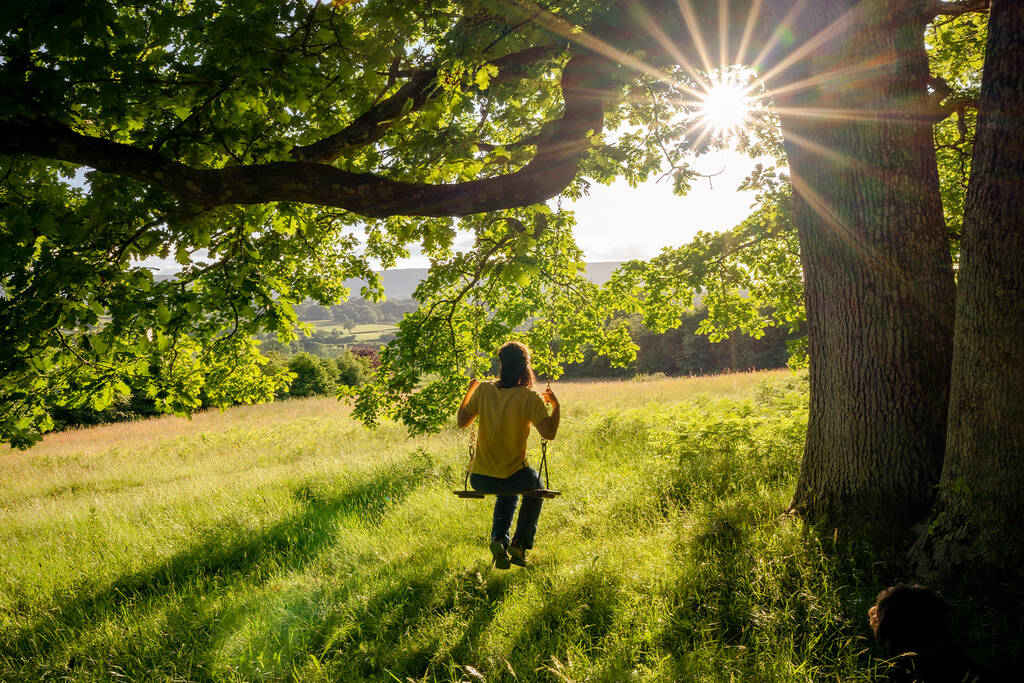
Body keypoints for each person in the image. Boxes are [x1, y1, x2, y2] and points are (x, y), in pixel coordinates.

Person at [457, 341, 560, 569]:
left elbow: (462, 421)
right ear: (525, 366)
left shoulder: (483, 390)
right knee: (534, 486)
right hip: (514, 475)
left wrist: (470, 391)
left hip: (480, 479)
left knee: (507, 491)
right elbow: (549, 433)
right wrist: (556, 406)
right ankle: (519, 544)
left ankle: (498, 540)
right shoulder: (529, 397)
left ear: (502, 364)